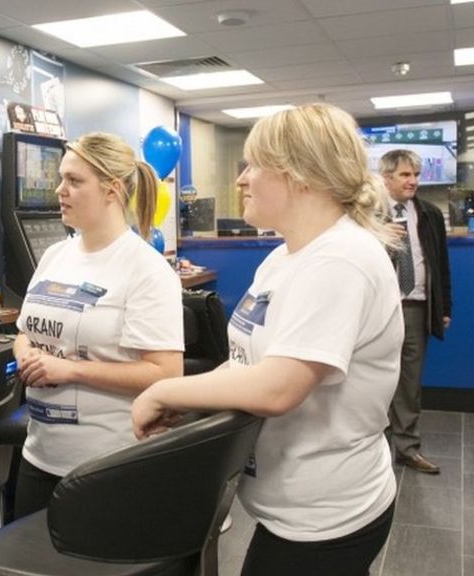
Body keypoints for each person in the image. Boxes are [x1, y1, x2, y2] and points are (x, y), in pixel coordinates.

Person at [132, 104, 403, 576]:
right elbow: (245, 361)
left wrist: (163, 389)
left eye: (254, 165)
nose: (241, 179)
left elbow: (278, 388)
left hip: (326, 516)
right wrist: (195, 399)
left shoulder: (340, 260)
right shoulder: (285, 257)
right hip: (288, 506)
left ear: (301, 175)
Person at [12, 132, 184, 518]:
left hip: (106, 465)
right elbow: (24, 331)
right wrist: (25, 355)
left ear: (112, 190)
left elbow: (165, 372)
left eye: (74, 181)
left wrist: (69, 369)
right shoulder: (55, 255)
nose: (60, 190)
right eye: (61, 179)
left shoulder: (146, 269)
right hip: (39, 456)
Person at [380, 149, 452, 475]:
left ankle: (407, 448)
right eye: (405, 175)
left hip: (416, 307)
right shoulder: (367, 215)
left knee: (409, 383)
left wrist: (444, 308)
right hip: (380, 311)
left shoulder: (429, 214)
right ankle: (376, 448)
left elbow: (440, 265)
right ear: (386, 178)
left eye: (416, 175)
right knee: (376, 379)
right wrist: (377, 237)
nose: (413, 181)